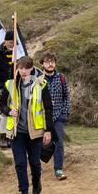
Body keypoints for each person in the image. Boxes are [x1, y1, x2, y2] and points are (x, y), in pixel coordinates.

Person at [4, 55, 54, 194]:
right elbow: (1, 105)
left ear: (32, 69)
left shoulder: (41, 84)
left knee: (35, 164)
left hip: (35, 132)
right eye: (21, 68)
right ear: (17, 69)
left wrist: (48, 130)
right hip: (17, 132)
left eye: (26, 68)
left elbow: (48, 108)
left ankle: (36, 180)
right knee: (20, 164)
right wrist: (8, 111)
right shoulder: (10, 84)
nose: (24, 71)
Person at [40, 51, 70, 180]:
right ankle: (37, 166)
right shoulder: (38, 80)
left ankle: (58, 169)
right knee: (39, 142)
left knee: (59, 143)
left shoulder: (61, 78)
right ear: (42, 64)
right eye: (47, 62)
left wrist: (64, 113)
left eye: (52, 61)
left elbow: (66, 96)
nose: (50, 64)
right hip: (41, 117)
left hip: (57, 116)